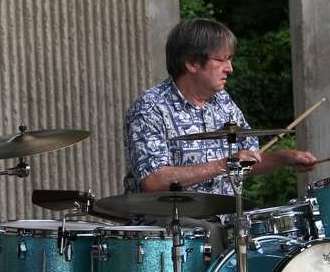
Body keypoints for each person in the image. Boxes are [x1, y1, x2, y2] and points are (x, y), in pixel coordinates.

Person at [124, 18, 316, 197]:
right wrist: (223, 164)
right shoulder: (151, 108)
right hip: (169, 228)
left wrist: (284, 158)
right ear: (192, 63)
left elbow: (246, 161)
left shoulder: (223, 102)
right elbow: (153, 180)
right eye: (222, 60)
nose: (230, 68)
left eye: (230, 59)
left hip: (223, 225)